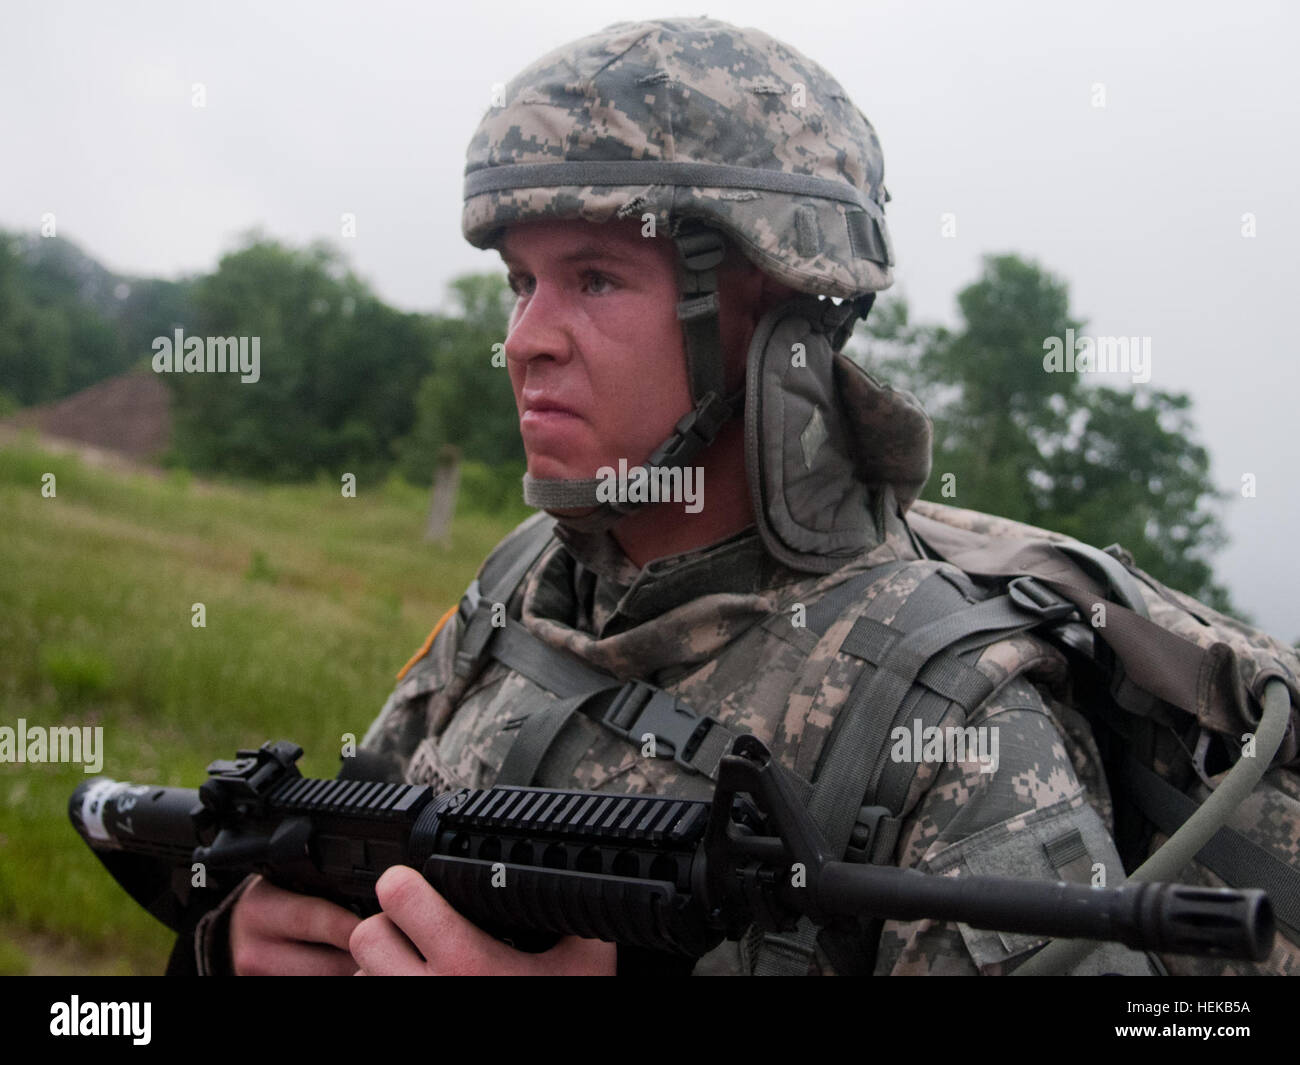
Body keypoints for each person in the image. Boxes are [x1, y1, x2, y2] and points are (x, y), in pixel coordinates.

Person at [202, 15, 1168, 976]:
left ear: (771, 310)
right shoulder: (522, 584)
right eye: (521, 283)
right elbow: (354, 835)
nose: (526, 340)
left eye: (595, 279)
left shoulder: (952, 714)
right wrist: (236, 944)